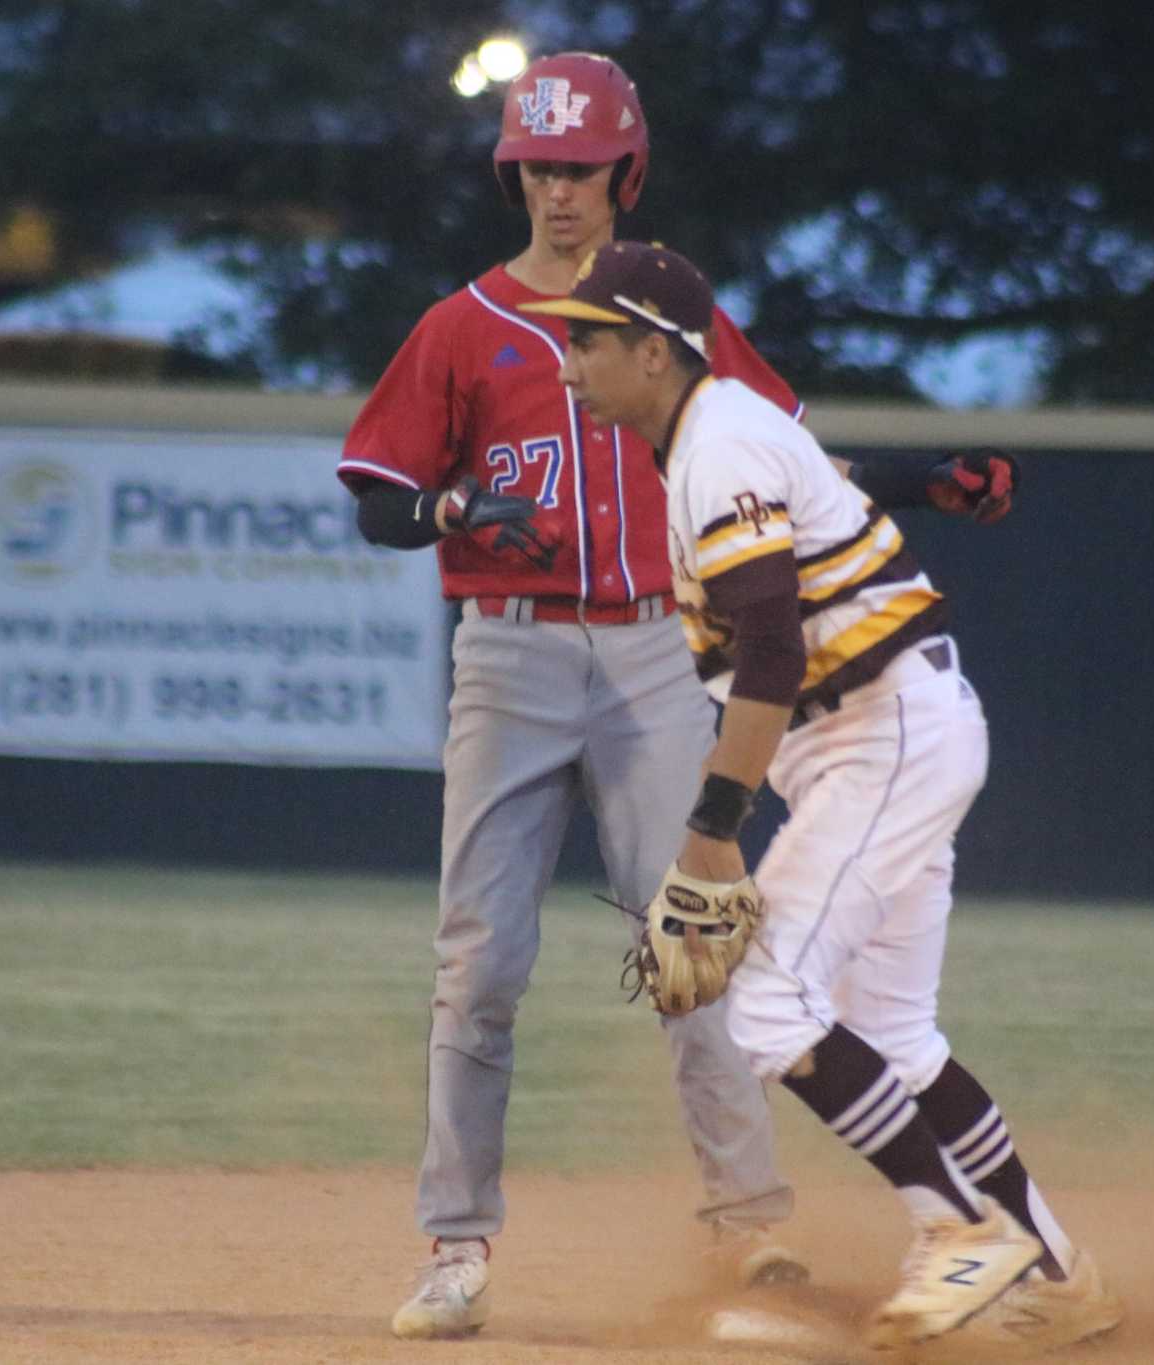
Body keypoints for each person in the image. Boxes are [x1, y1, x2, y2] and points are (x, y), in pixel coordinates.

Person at [521, 241, 1125, 1353]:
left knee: (763, 1000)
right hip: (889, 732)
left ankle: (956, 1231)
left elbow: (765, 655)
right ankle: (1056, 1273)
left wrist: (711, 833)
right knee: (893, 1033)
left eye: (585, 341)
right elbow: (822, 485)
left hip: (878, 733)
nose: (567, 364)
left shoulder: (716, 449)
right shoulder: (717, 432)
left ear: (653, 354)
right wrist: (926, 479)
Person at [336, 52, 808, 1341]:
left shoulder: (668, 311)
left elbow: (783, 448)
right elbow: (377, 496)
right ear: (515, 174)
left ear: (623, 171)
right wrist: (443, 506)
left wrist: (923, 479)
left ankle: (752, 1225)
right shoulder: (461, 326)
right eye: (538, 166)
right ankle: (454, 1248)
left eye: (580, 165)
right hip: (508, 653)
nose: (558, 189)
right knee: (480, 957)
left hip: (659, 648)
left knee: (693, 935)